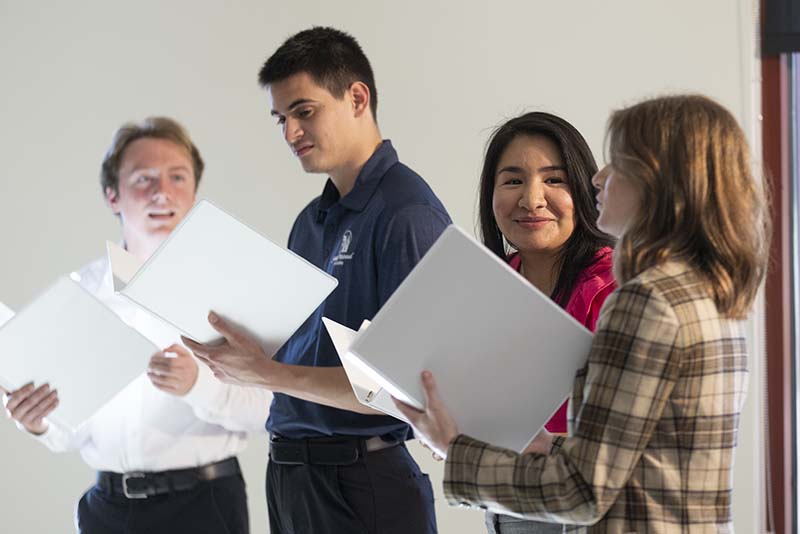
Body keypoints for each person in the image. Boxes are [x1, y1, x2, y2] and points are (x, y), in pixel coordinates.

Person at [395, 94, 770, 532]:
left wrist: (456, 448)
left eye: (620, 161)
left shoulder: (645, 301)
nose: (599, 176)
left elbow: (583, 490)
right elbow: (649, 462)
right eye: (512, 180)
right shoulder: (702, 291)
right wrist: (551, 447)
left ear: (666, 183)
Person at [181, 27, 450, 534]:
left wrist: (264, 373)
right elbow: (301, 354)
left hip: (362, 481)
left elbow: (408, 388)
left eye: (304, 112)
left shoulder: (407, 214)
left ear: (357, 98)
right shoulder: (311, 221)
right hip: (290, 474)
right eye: (281, 119)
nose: (290, 133)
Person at [2, 117, 273, 534]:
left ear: (194, 192)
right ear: (113, 196)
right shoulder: (81, 294)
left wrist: (197, 385)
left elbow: (269, 410)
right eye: (143, 178)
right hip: (106, 509)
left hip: (204, 506)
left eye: (177, 177)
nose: (162, 192)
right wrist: (36, 421)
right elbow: (69, 436)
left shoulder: (231, 294)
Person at [477, 112, 615, 533]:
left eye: (554, 180)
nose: (532, 199)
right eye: (513, 180)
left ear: (586, 188)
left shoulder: (614, 285)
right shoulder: (485, 283)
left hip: (582, 511)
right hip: (502, 503)